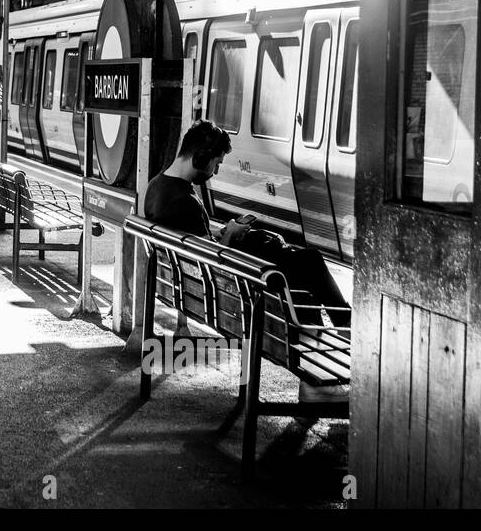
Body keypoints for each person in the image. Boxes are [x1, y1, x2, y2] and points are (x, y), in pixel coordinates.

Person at [143, 120, 350, 399]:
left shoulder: (156, 187)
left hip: (199, 288)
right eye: (215, 164)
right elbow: (214, 264)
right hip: (234, 293)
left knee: (299, 265)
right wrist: (230, 237)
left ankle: (323, 366)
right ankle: (344, 335)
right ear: (200, 157)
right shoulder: (184, 202)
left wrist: (222, 234)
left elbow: (199, 248)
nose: (215, 171)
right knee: (308, 264)